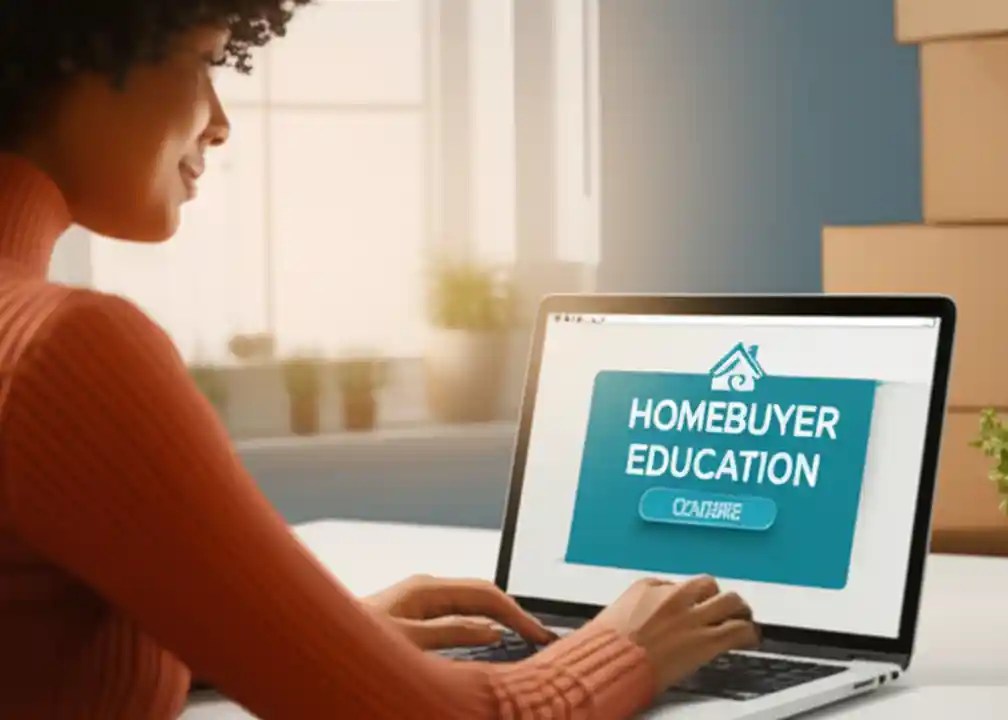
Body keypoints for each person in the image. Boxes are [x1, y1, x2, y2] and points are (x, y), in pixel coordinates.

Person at [0, 2, 760, 718]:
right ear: (79, 54)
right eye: (201, 63)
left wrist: (315, 640)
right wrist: (625, 645)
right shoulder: (62, 352)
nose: (220, 122)